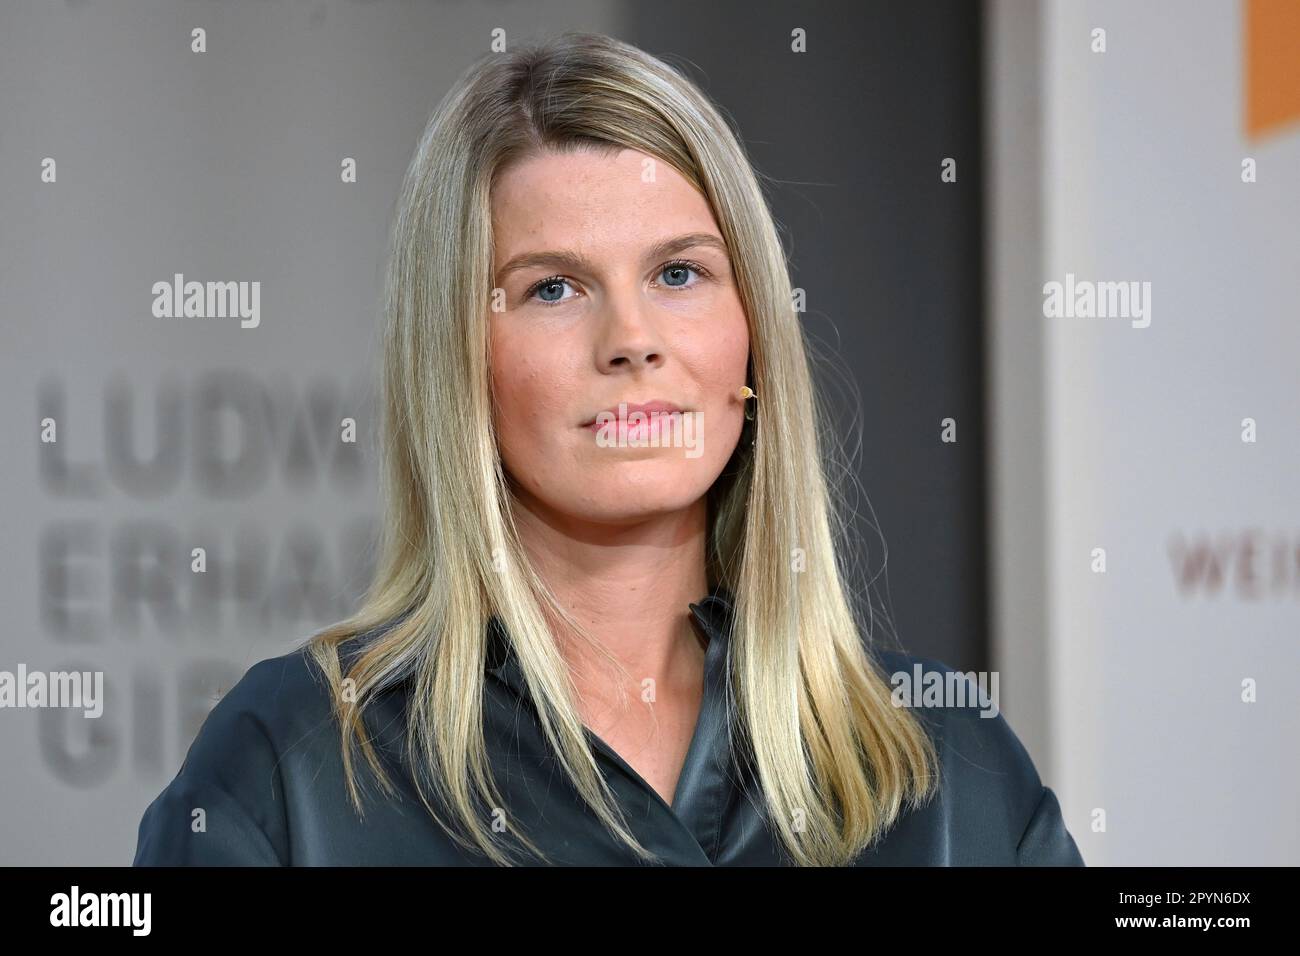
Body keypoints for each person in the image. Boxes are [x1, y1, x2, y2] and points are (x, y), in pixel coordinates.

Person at [133, 31, 1083, 867]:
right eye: (553, 288)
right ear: (458, 358)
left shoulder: (949, 768)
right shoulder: (293, 766)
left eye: (680, 273)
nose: (632, 338)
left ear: (752, 331)